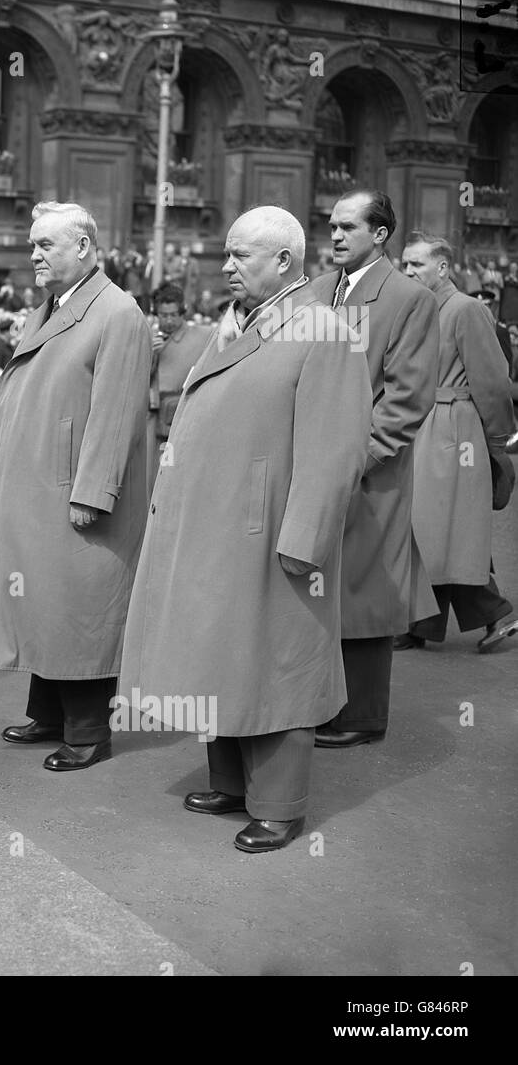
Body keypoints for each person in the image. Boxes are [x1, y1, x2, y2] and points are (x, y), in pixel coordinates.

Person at [121, 206, 372, 852]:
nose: (226, 267)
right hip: (219, 528)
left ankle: (280, 804)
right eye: (228, 255)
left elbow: (337, 449)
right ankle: (230, 782)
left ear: (284, 261)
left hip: (271, 535)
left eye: (241, 256)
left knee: (278, 669)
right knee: (223, 658)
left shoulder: (324, 331)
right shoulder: (240, 322)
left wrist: (306, 539)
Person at [0, 200, 151, 773]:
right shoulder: (52, 306)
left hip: (74, 492)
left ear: (84, 247)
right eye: (33, 244)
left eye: (46, 245)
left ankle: (88, 731)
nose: (33, 254)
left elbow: (117, 414)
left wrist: (94, 492)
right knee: (44, 602)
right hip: (40, 486)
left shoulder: (117, 312)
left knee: (78, 610)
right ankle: (50, 714)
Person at [314, 189, 439, 749]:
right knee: (320, 588)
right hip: (313, 466)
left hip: (370, 474)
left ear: (381, 234)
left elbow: (407, 398)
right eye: (332, 226)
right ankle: (324, 701)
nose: (335, 235)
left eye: (348, 227)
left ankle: (362, 715)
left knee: (362, 590)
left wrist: (355, 458)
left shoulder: (408, 298)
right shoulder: (317, 292)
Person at [399, 232, 518, 652]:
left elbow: (493, 381)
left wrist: (498, 441)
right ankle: (425, 624)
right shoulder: (419, 307)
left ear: (444, 267)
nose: (408, 271)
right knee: (438, 528)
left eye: (417, 264)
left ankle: (483, 614)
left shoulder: (466, 309)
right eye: (406, 264)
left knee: (443, 527)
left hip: (455, 427)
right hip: (426, 424)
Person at [146, 282, 213, 496]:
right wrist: (150, 355)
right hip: (156, 422)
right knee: (155, 478)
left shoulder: (203, 336)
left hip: (187, 417)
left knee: (179, 477)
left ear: (183, 311)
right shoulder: (148, 338)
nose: (168, 320)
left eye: (174, 314)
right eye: (163, 315)